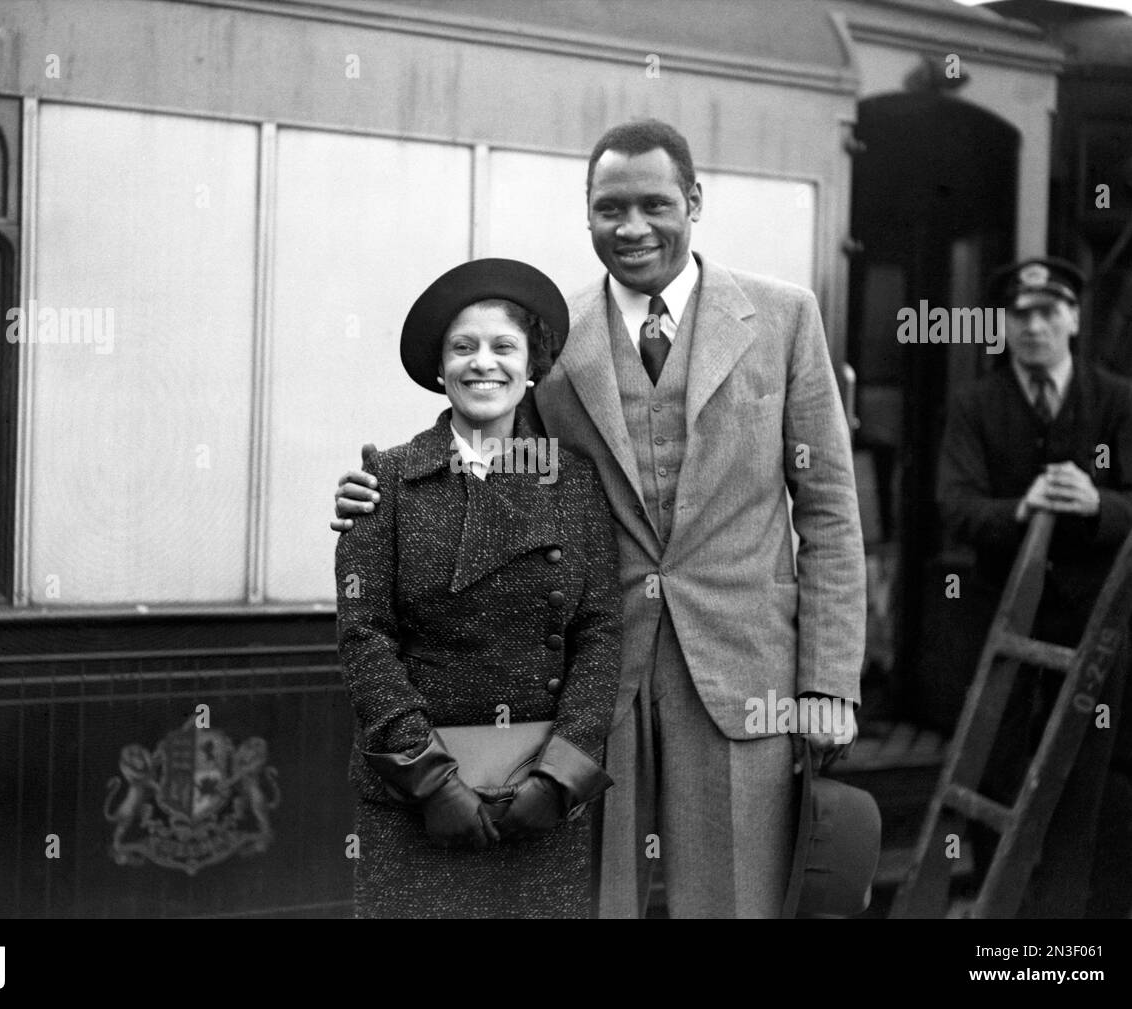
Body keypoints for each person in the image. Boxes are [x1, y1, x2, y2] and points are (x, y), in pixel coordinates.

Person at [335, 120, 865, 918]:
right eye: (609, 208)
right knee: (594, 900)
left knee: (733, 902)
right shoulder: (551, 339)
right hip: (589, 681)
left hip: (745, 670)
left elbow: (827, 508)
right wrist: (377, 494)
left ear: (694, 201)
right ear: (586, 215)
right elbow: (503, 470)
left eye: (655, 204)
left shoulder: (785, 318)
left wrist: (827, 680)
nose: (632, 227)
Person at [334, 257, 622, 918]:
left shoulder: (574, 481)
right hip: (416, 800)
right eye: (462, 347)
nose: (482, 363)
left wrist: (560, 777)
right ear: (440, 367)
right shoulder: (388, 479)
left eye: (503, 347)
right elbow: (365, 635)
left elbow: (601, 631)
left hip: (539, 799)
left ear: (532, 367)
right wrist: (432, 782)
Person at [937, 256, 1132, 917]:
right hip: (997, 612)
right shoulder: (976, 403)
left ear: (1075, 319)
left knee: (1082, 767)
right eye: (1020, 314)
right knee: (993, 763)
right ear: (1005, 325)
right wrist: (1019, 510)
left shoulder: (1117, 400)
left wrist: (1095, 503)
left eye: (1048, 312)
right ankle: (1001, 907)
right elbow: (953, 502)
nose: (1033, 326)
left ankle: (1064, 913)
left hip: (1094, 617)